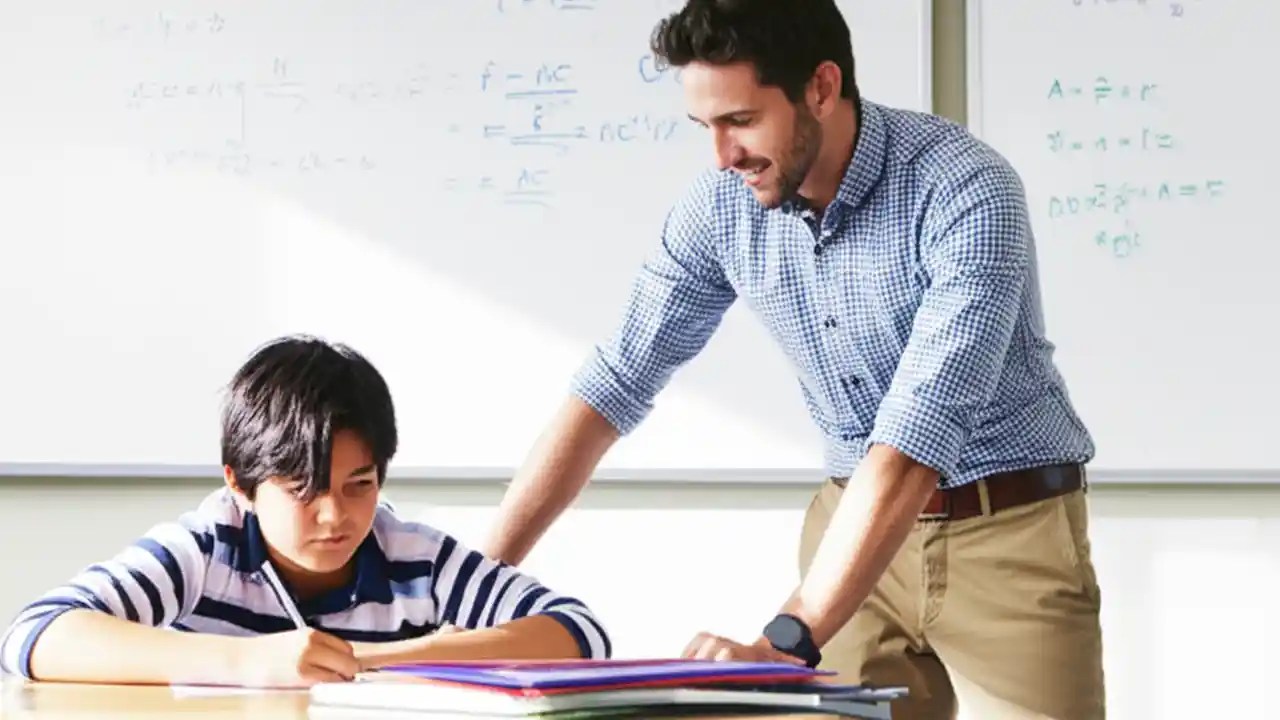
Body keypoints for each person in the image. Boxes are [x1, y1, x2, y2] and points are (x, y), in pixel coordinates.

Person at [481, 0, 1104, 717]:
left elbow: (915, 437)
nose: (721, 156)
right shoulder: (720, 207)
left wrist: (786, 637)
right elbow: (613, 384)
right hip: (850, 539)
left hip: (1008, 537)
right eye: (705, 127)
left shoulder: (964, 189)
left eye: (741, 122)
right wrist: (475, 584)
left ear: (821, 86)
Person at [0, 336, 610, 687]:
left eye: (359, 483)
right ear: (239, 484)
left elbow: (581, 634)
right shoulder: (207, 548)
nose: (334, 515)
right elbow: (34, 634)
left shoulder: (410, 556)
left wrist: (368, 659)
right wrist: (245, 661)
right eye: (302, 490)